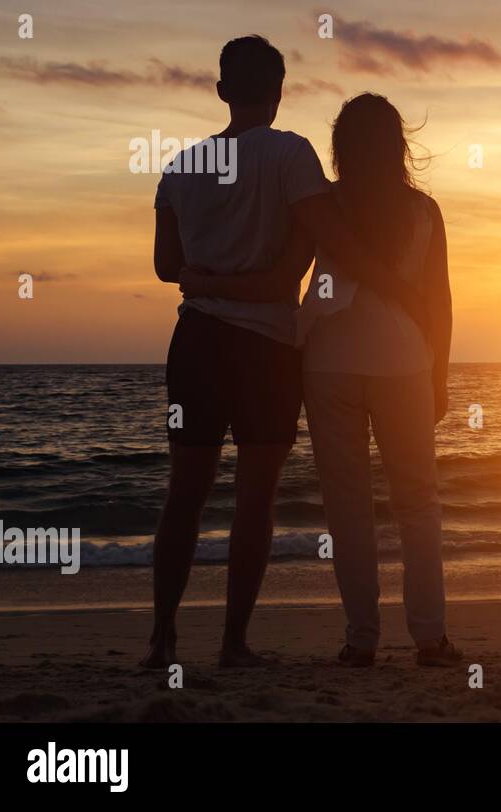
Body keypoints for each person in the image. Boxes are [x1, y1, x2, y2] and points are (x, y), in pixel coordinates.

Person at [146, 37, 425, 669]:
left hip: (195, 342)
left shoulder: (180, 166)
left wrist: (209, 279)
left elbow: (167, 267)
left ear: (221, 91)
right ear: (278, 92)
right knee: (255, 498)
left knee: (183, 494)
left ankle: (161, 637)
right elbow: (322, 247)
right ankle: (233, 643)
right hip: (266, 348)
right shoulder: (291, 154)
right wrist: (401, 287)